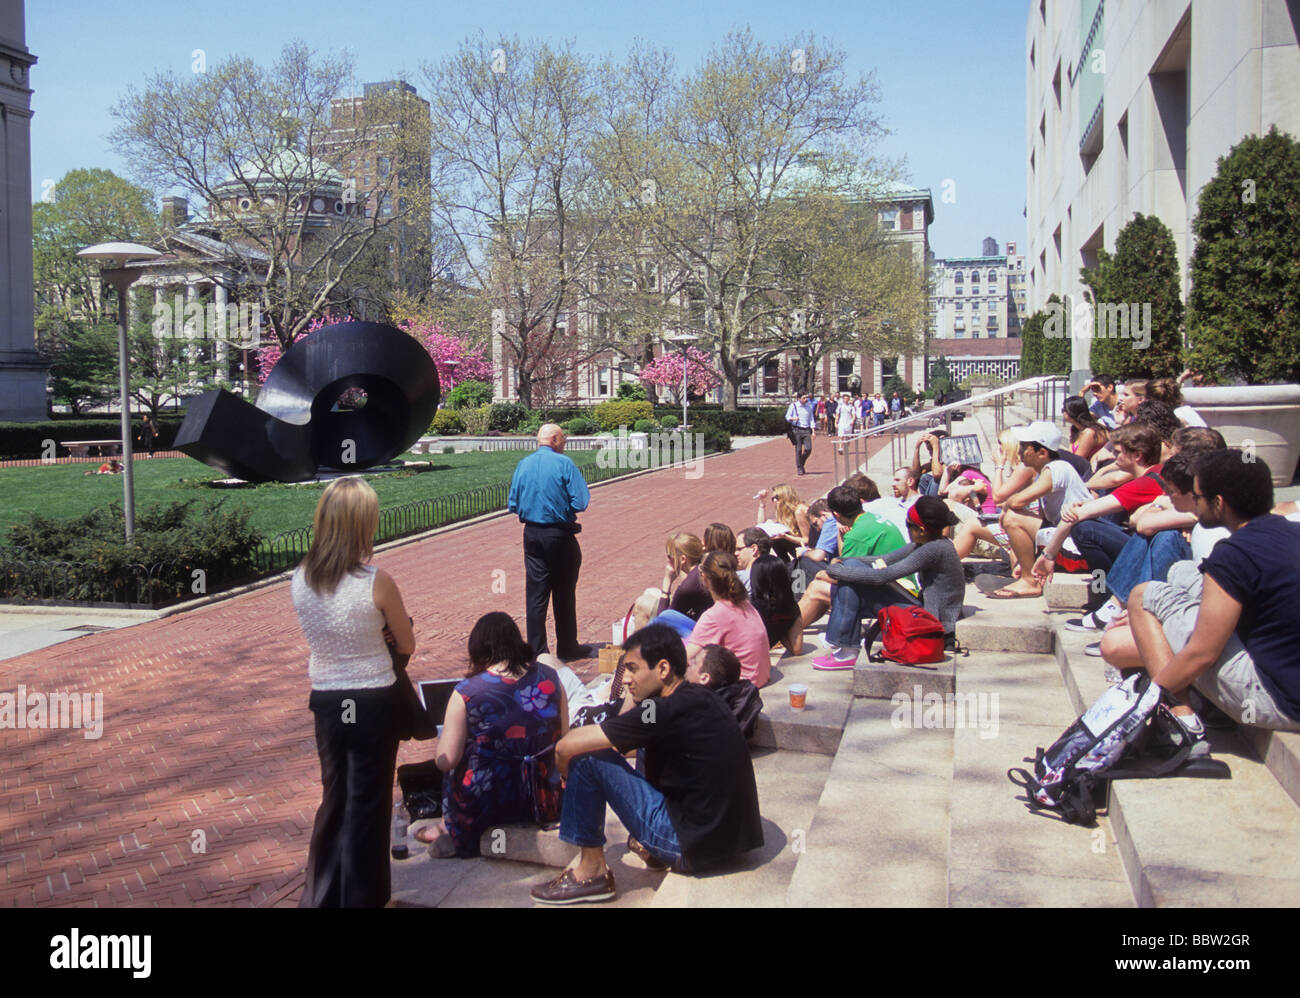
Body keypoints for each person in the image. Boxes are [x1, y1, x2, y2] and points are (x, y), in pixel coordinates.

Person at [529, 624, 763, 904]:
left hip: (691, 846)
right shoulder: (697, 697)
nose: (625, 679)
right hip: (726, 843)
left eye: (632, 669)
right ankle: (647, 847)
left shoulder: (661, 711)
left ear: (663, 669)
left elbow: (567, 746)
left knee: (586, 757)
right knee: (630, 745)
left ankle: (591, 872)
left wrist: (566, 771)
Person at [1107, 450, 1300, 741]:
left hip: (1276, 698)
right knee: (1183, 570)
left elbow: (1201, 654)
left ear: (1219, 503)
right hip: (1286, 670)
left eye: (1197, 497)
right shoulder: (1291, 533)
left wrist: (1142, 705)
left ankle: (1179, 721)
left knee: (1144, 595)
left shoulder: (1234, 555)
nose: (1193, 504)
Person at [291, 477, 414, 908]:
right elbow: (407, 643)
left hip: (327, 698)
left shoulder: (300, 578)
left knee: (335, 799)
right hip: (370, 698)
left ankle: (321, 896)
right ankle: (365, 899)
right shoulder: (376, 581)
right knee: (368, 805)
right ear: (361, 525)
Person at [415, 612, 567, 857]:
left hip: (488, 801)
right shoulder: (551, 678)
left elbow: (446, 761)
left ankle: (450, 827)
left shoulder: (467, 692)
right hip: (542, 799)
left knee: (458, 756)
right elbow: (564, 742)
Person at [811, 496, 966, 670]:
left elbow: (883, 576)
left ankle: (846, 650)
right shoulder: (929, 543)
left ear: (921, 530)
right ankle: (845, 646)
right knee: (851, 569)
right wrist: (843, 561)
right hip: (925, 606)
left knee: (850, 580)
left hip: (931, 614)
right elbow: (883, 559)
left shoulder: (932, 549)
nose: (907, 529)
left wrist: (835, 570)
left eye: (908, 525)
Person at [507, 424, 592, 661]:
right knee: (564, 592)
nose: (565, 443)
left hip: (532, 534)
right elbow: (581, 501)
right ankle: (567, 647)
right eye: (563, 439)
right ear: (555, 440)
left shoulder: (523, 464)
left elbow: (512, 503)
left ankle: (536, 650)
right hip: (559, 533)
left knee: (536, 594)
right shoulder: (564, 463)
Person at [990, 422, 1091, 598]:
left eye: (1024, 446)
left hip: (1078, 549)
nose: (1019, 450)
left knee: (1013, 517)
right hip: (1064, 541)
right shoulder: (1044, 471)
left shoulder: (1057, 468)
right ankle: (1027, 574)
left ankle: (1030, 582)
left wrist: (1007, 507)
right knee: (1014, 517)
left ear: (1042, 453)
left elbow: (1016, 502)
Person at [687, 551, 773, 688]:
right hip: (760, 675)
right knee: (672, 619)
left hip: (741, 683)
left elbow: (684, 660)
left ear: (705, 578)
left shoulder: (713, 616)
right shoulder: (745, 603)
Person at [686, 644, 763, 739]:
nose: (689, 662)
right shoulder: (739, 703)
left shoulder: (695, 713)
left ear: (704, 678)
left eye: (695, 662)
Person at [1062, 395, 1109, 463]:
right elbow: (1071, 453)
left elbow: (1077, 460)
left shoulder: (1089, 433)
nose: (1063, 413)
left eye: (1063, 410)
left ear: (1070, 413)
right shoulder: (1075, 429)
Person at [784, 393, 815, 476]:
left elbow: (811, 418)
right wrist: (793, 418)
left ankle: (801, 462)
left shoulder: (809, 406)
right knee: (798, 450)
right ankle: (799, 468)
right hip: (797, 429)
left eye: (806, 398)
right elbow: (787, 417)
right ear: (799, 398)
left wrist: (813, 430)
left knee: (808, 449)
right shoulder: (793, 406)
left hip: (806, 430)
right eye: (804, 398)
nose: (806, 399)